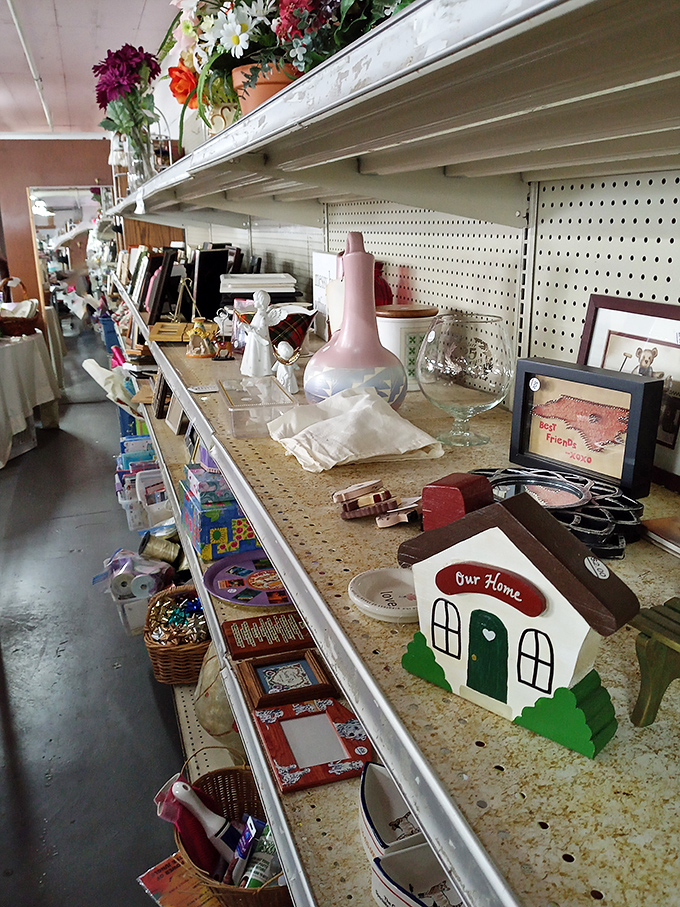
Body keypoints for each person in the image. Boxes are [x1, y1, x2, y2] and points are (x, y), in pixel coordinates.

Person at [240, 290, 285, 378]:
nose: (254, 302)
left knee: (258, 354)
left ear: (261, 302)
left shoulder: (263, 317)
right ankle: (252, 369)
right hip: (253, 340)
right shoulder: (259, 314)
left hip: (259, 342)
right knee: (252, 354)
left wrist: (250, 328)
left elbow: (262, 332)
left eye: (255, 300)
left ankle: (260, 370)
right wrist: (247, 327)